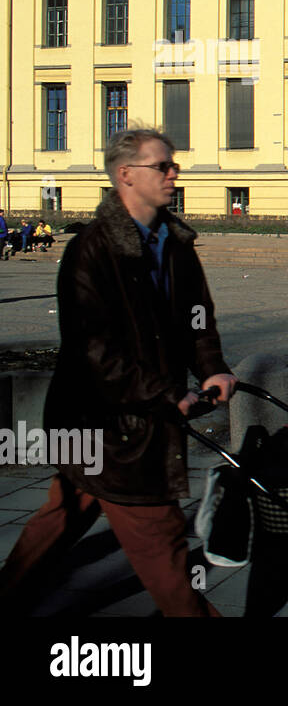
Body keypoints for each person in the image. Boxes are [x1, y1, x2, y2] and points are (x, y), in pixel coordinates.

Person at [0, 127, 236, 617]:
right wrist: (166, 396)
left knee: (60, 516)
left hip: (125, 424)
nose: (174, 173)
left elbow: (197, 319)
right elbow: (94, 348)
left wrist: (213, 368)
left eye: (174, 165)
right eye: (162, 166)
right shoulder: (92, 249)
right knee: (164, 544)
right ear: (125, 175)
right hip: (108, 426)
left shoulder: (175, 243)